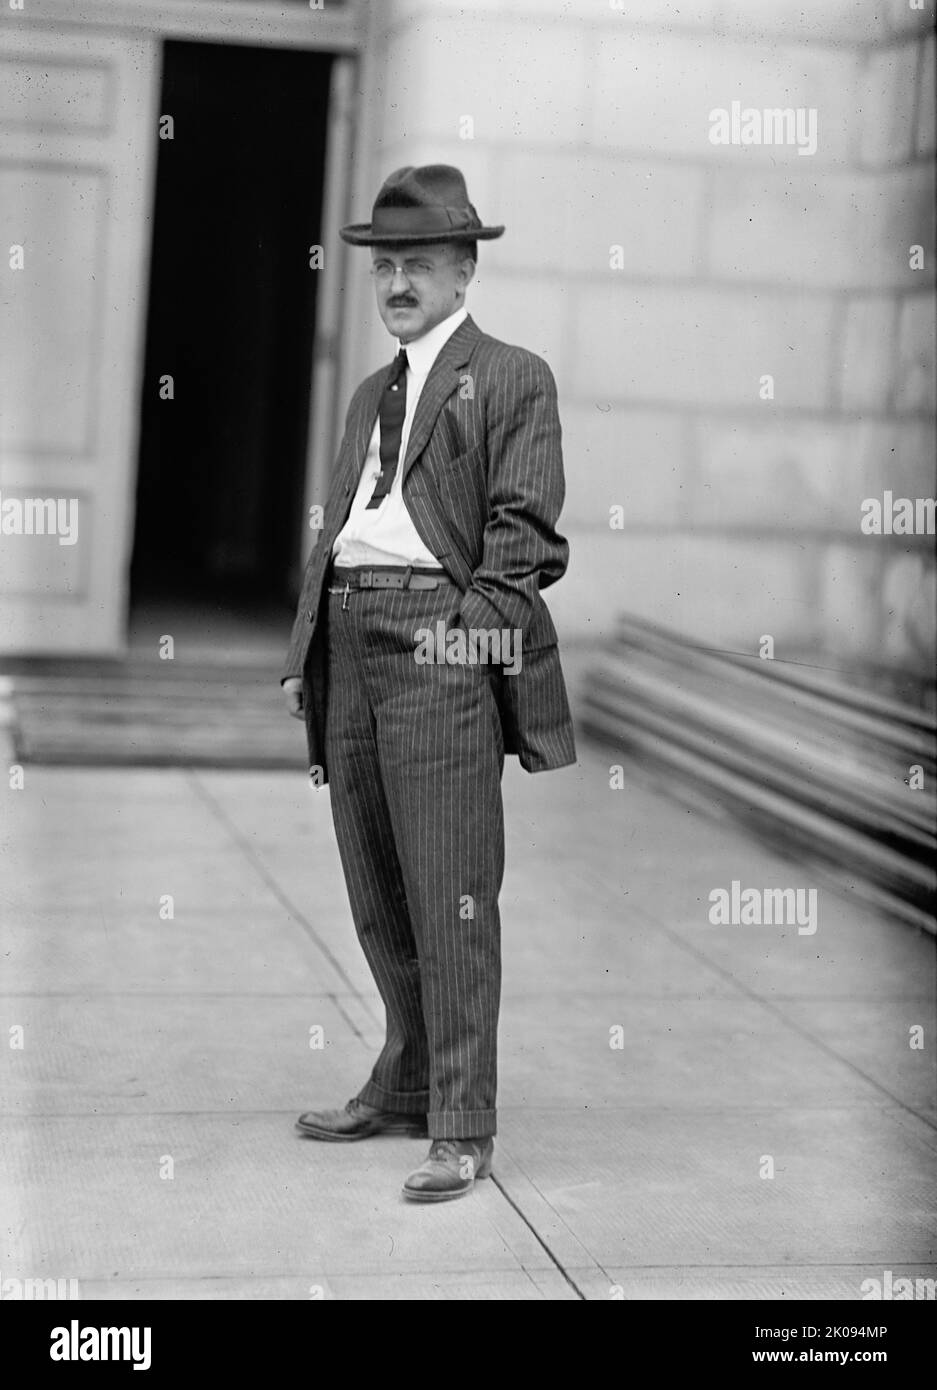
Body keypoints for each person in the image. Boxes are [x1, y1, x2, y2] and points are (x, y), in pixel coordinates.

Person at [281, 164, 576, 1201]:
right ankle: (406, 1076)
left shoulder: (509, 376)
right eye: (385, 265)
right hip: (351, 640)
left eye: (419, 264)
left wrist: (464, 641)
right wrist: (305, 653)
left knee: (450, 892)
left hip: (438, 644)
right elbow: (337, 531)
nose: (397, 282)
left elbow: (525, 538)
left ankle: (463, 1118)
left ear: (463, 272)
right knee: (378, 886)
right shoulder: (372, 391)